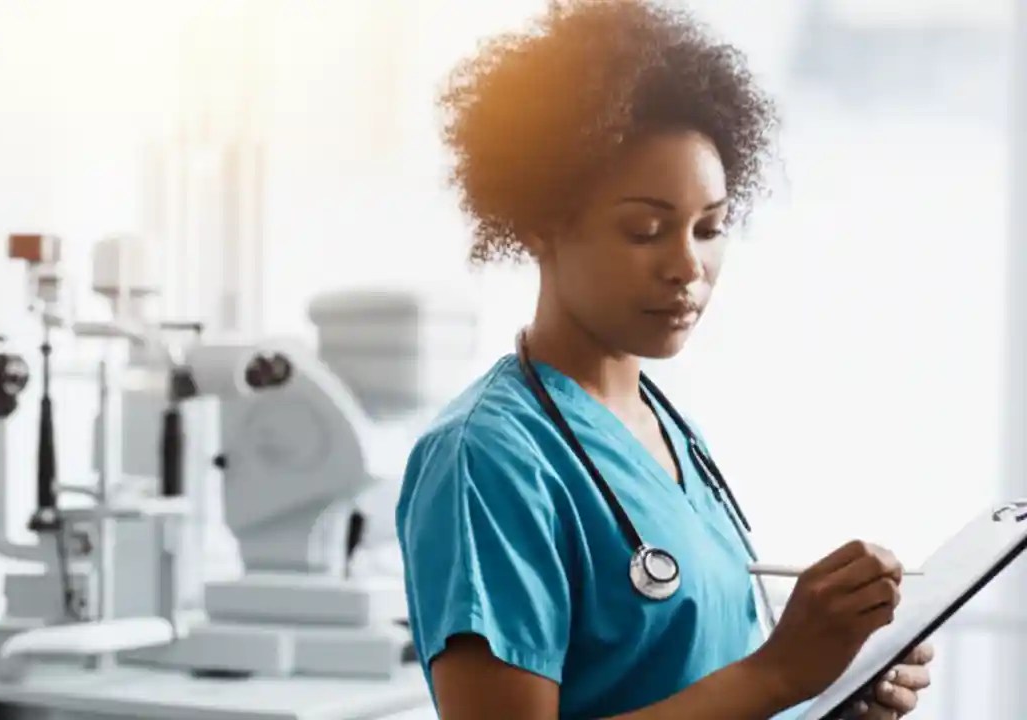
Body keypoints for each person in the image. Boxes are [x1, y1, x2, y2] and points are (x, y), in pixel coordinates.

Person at [394, 2, 935, 719]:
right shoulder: (487, 460)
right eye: (645, 229)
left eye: (710, 228)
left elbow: (699, 687)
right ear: (542, 223)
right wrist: (780, 673)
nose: (689, 266)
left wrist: (831, 696)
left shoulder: (666, 430)